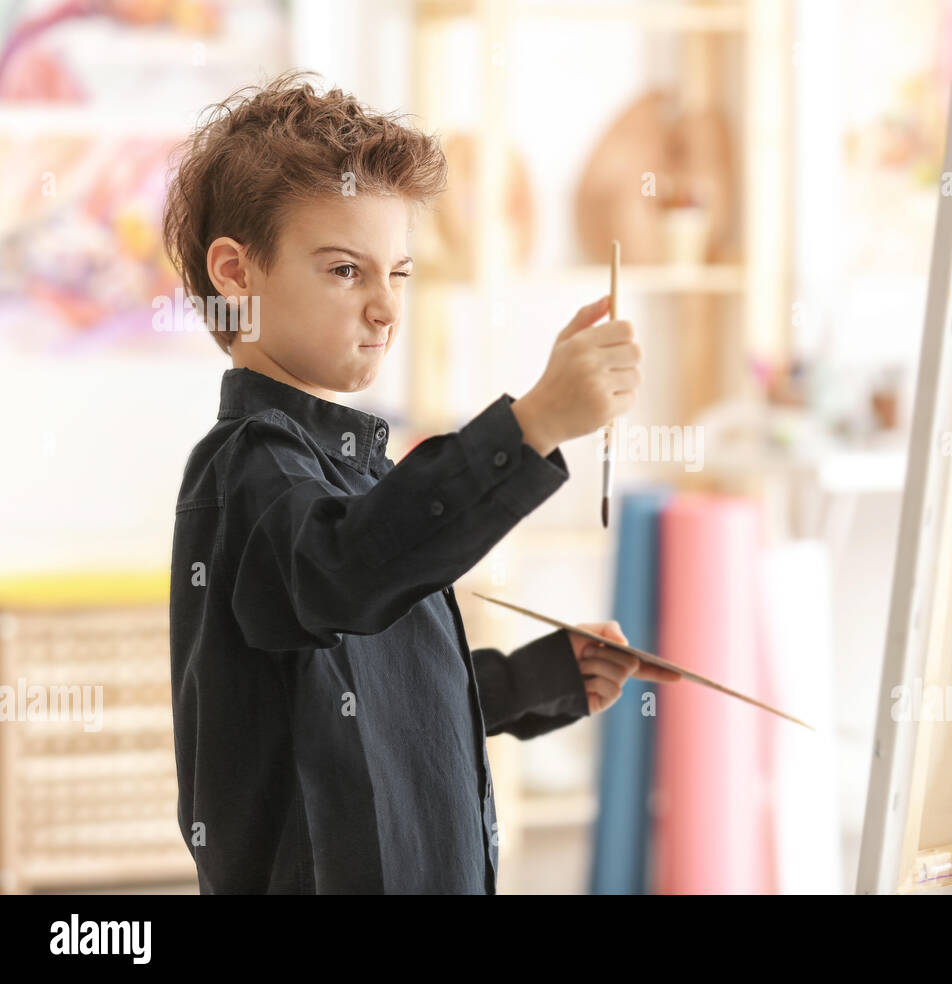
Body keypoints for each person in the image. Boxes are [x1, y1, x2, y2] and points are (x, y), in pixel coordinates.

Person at [161, 69, 681, 894]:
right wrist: (534, 422)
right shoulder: (249, 472)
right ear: (236, 273)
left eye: (398, 273)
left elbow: (379, 688)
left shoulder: (351, 472)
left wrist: (535, 680)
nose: (386, 309)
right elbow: (350, 570)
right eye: (344, 271)